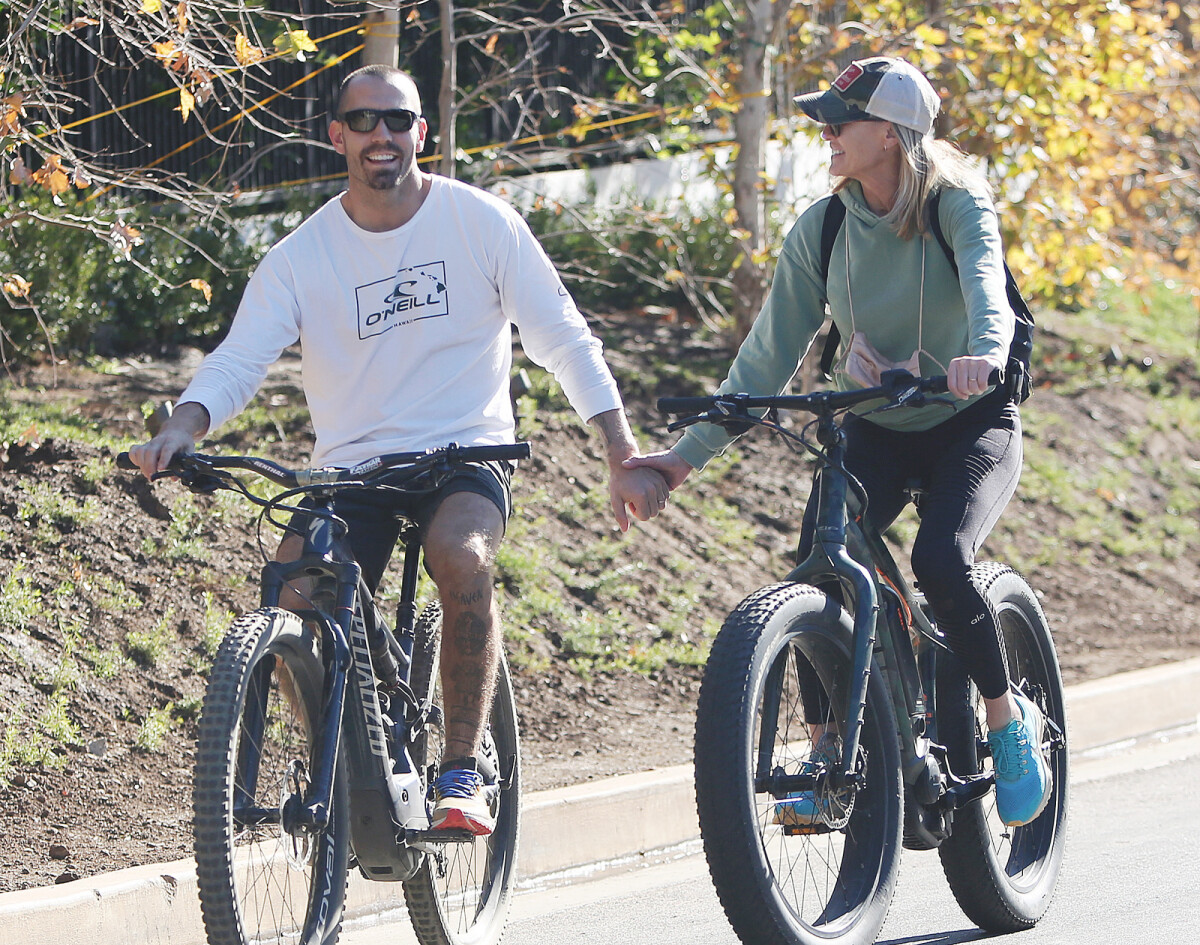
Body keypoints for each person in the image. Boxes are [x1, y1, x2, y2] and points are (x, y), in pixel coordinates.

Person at [130, 64, 670, 836]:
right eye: (363, 120)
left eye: (397, 119)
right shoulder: (301, 255)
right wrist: (185, 425)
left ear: (422, 131)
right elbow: (240, 356)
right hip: (355, 467)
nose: (380, 134)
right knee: (293, 591)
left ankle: (459, 767)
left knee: (461, 553)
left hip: (466, 453)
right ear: (336, 135)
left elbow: (561, 338)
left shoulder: (480, 223)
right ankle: (342, 763)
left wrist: (619, 449)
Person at [625, 56, 1050, 827]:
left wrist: (985, 354)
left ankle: (1004, 720)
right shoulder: (823, 227)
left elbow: (988, 285)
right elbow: (763, 358)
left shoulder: (957, 204)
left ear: (890, 135)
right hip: (878, 427)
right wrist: (679, 461)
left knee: (942, 560)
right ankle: (825, 755)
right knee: (822, 564)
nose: (826, 131)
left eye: (841, 119)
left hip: (969, 421)